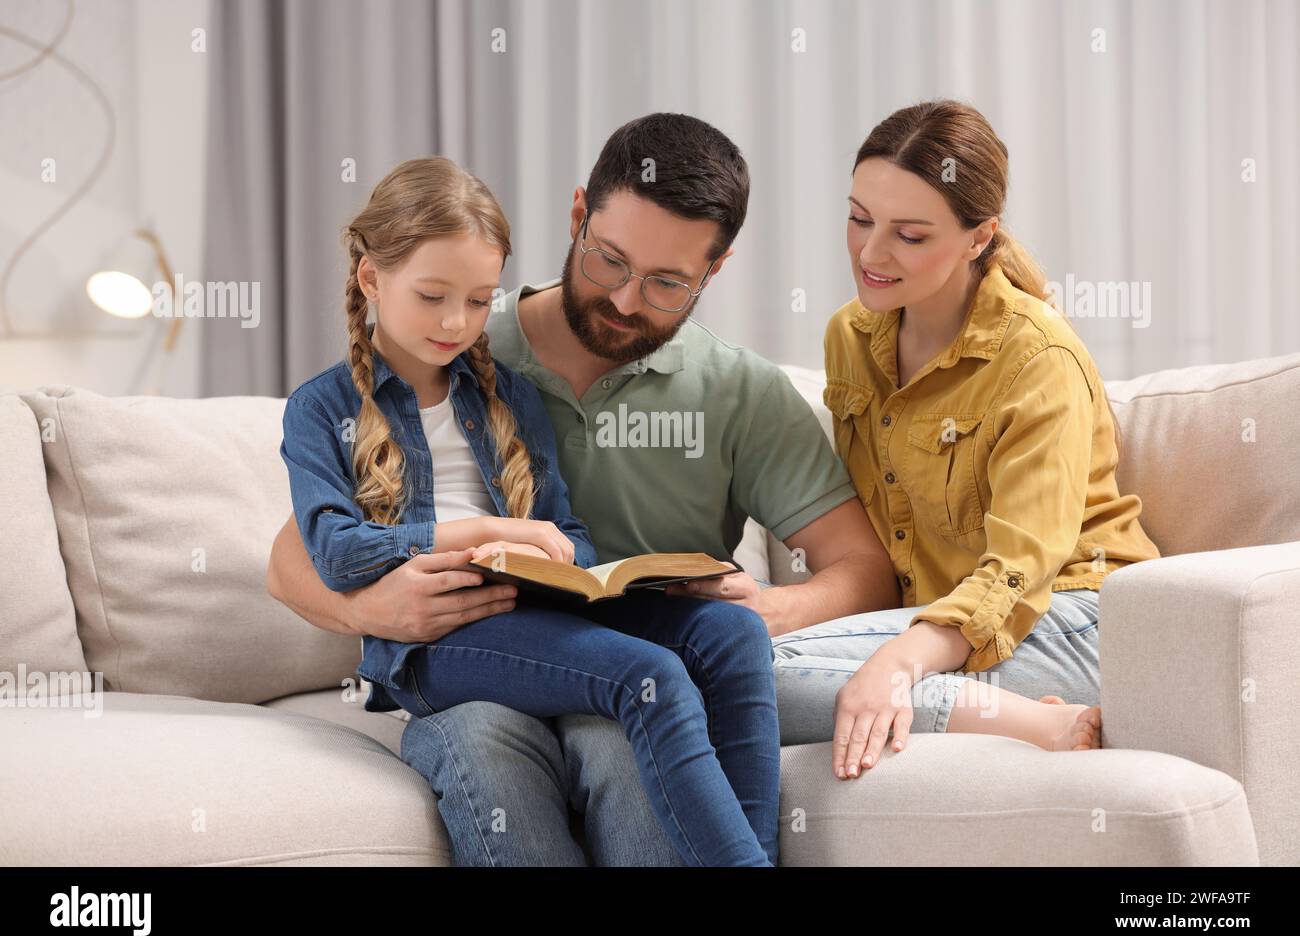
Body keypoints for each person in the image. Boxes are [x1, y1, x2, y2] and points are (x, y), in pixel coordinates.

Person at [267, 113, 897, 865]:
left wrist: (766, 606)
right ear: (577, 218)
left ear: (714, 270)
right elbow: (303, 550)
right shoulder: (469, 344)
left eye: (667, 283)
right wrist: (375, 610)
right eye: (608, 262)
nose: (627, 300)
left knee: (716, 649)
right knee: (543, 726)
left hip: (585, 627)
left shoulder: (734, 393)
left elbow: (863, 568)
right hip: (477, 657)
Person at [773, 99, 1163, 779]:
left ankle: (1037, 723)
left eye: (910, 235)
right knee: (710, 660)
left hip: (1072, 618)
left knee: (741, 674)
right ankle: (1004, 715)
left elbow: (1021, 568)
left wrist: (897, 661)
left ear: (979, 238)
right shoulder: (852, 336)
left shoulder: (1039, 358)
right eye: (859, 218)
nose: (870, 252)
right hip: (941, 628)